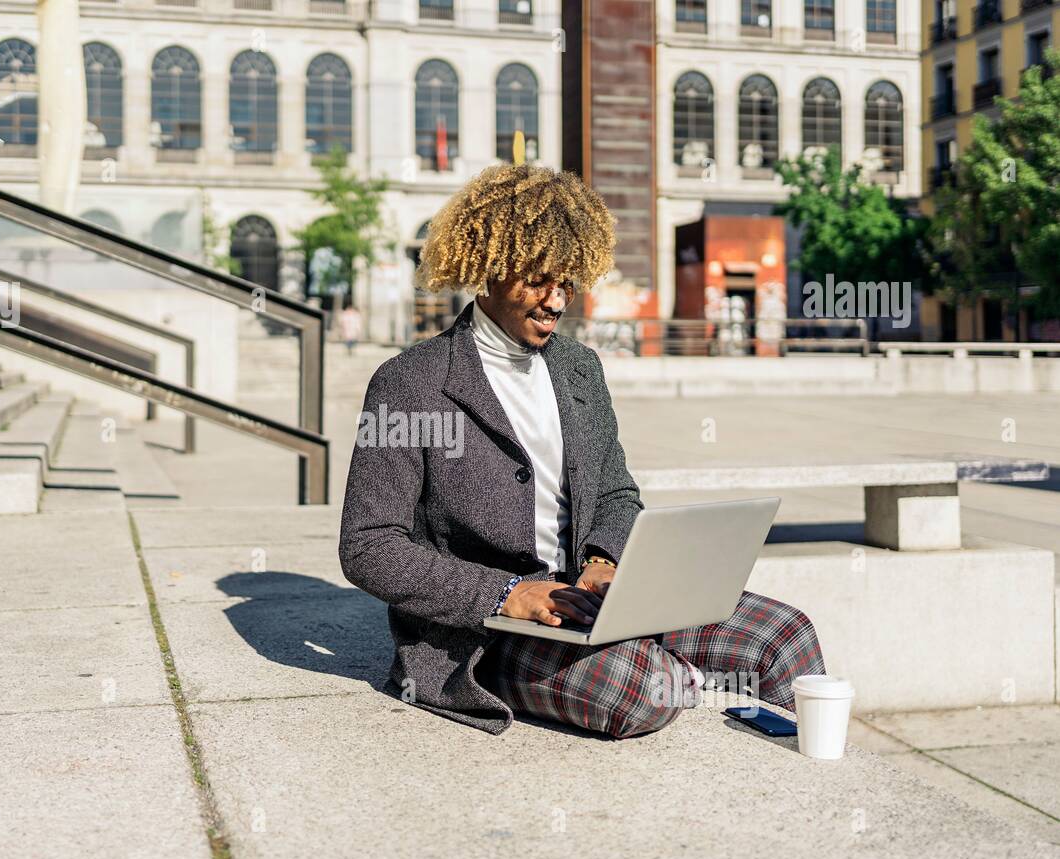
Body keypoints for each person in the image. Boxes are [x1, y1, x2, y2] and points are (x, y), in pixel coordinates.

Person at [338, 163, 826, 738]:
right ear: (489, 267)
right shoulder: (409, 382)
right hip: (488, 633)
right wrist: (506, 593)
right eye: (539, 279)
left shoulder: (579, 369)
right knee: (642, 688)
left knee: (784, 637)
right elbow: (367, 547)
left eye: (567, 281)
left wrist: (604, 562)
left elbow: (618, 493)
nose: (555, 300)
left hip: (592, 599)